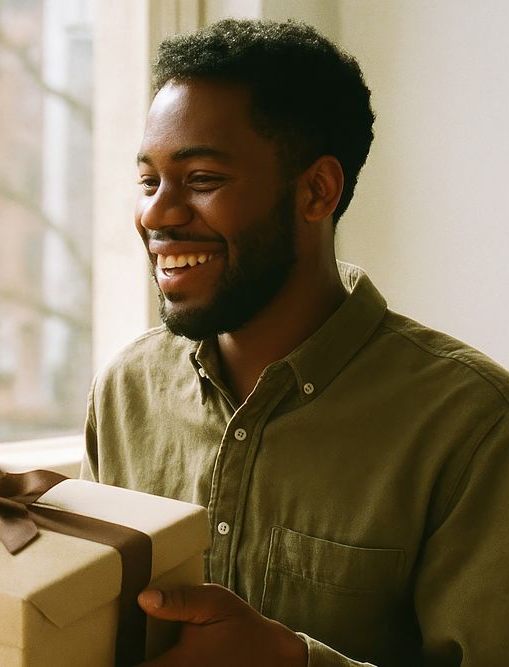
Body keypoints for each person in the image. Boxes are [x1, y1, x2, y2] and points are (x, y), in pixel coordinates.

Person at [82, 18, 509, 666]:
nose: (157, 214)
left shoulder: (472, 426)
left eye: (201, 179)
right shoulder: (124, 392)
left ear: (317, 190)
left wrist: (293, 661)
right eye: (149, 182)